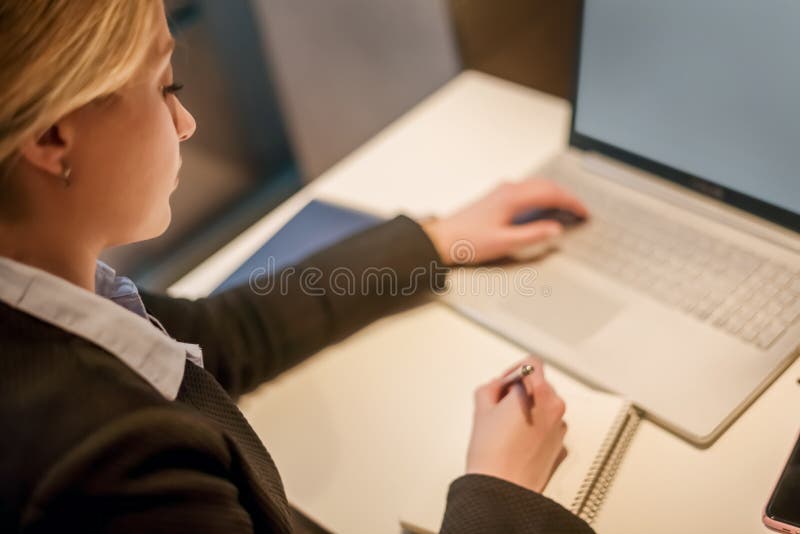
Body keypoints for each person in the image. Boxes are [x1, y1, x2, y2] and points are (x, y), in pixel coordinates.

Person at [0, 1, 594, 532]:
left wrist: (433, 241)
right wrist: (499, 490)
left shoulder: (45, 295)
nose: (186, 123)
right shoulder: (118, 469)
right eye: (165, 85)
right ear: (54, 134)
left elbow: (225, 335)